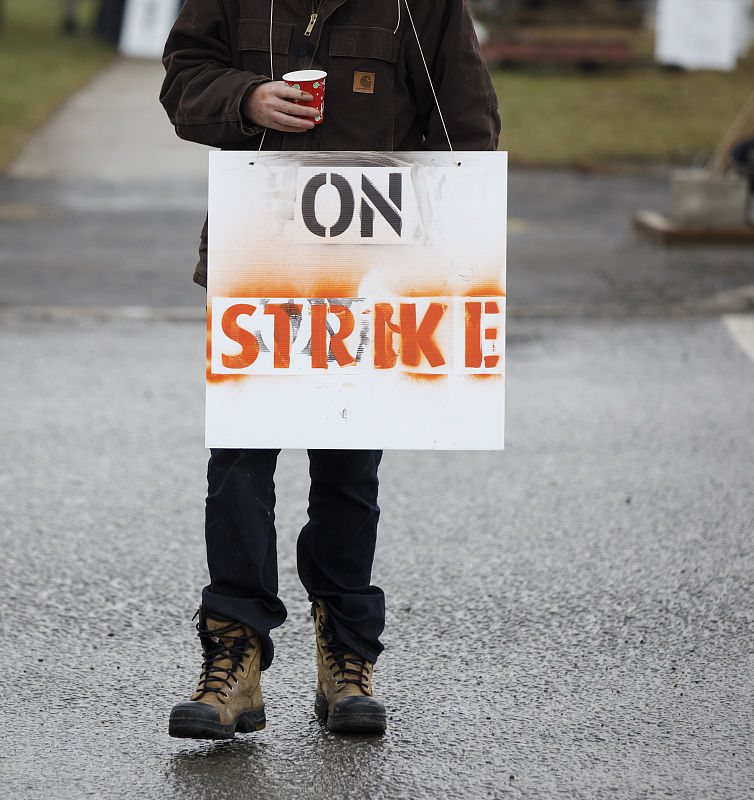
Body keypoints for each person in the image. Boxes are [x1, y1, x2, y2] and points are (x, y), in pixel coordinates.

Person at [159, 0, 499, 739]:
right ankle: (233, 662)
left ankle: (346, 658)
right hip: (259, 257)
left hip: (375, 265)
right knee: (239, 461)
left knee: (349, 467)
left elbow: (462, 119)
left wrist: (464, 251)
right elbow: (183, 82)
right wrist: (245, 98)